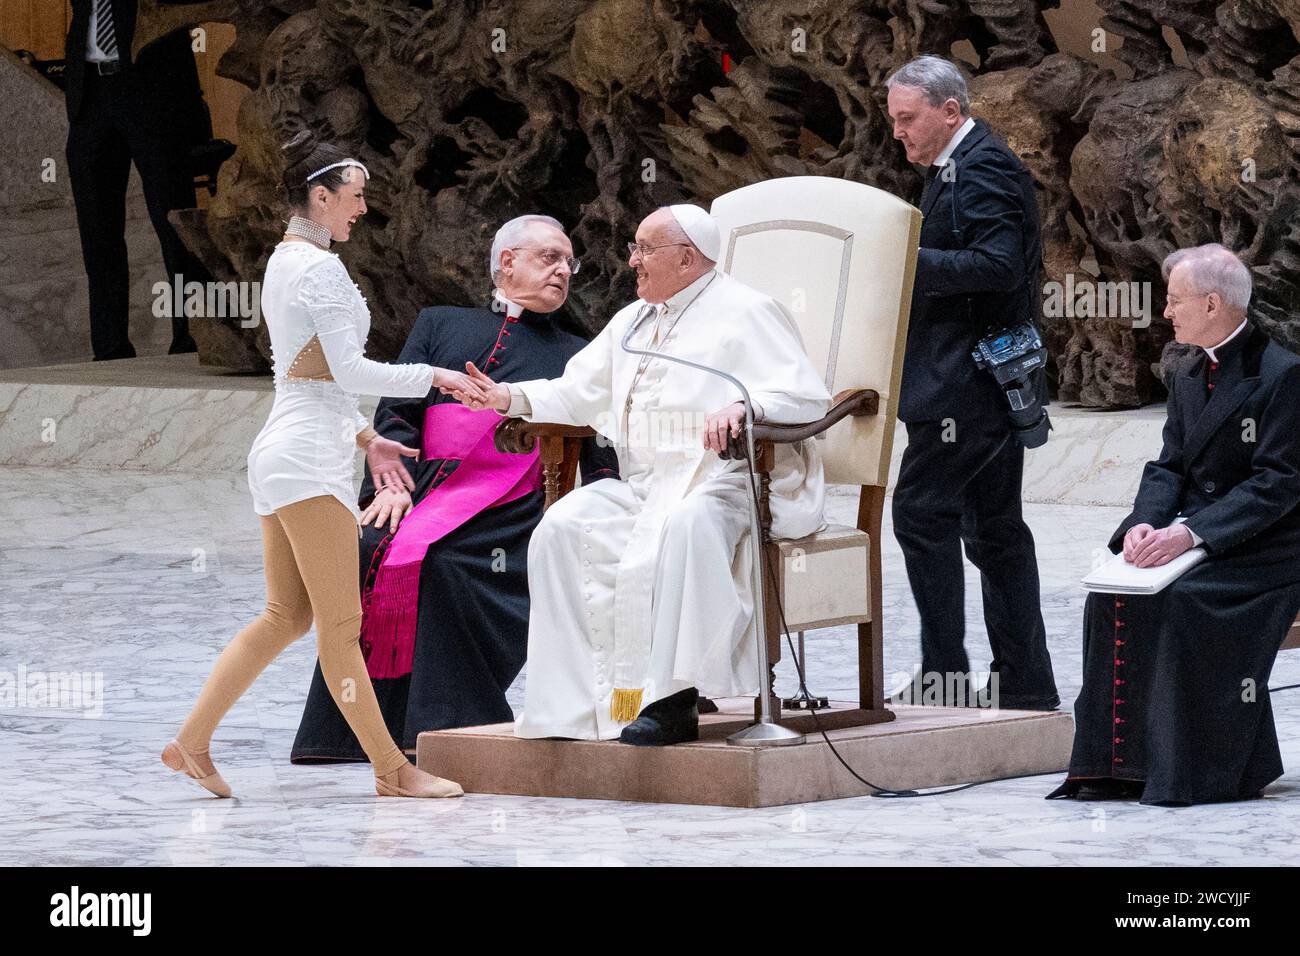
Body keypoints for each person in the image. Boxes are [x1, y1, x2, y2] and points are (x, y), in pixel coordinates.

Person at [161, 130, 488, 799]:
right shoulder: (321, 270)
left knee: (286, 615)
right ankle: (394, 772)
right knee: (340, 629)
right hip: (306, 462)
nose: (362, 209)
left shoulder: (284, 260)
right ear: (320, 195)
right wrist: (439, 378)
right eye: (356, 197)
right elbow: (349, 369)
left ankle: (190, 742)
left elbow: (309, 376)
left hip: (281, 452)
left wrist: (368, 439)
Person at [456, 204, 831, 745]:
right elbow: (576, 390)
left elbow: (804, 395)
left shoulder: (747, 310)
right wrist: (507, 396)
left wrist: (745, 406)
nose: (631, 259)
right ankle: (575, 704)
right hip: (646, 484)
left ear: (686, 258)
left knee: (686, 522)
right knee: (563, 527)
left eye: (644, 248)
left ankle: (675, 700)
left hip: (726, 480)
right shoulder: (632, 320)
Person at [289, 215, 618, 761]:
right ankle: (345, 733)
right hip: (421, 490)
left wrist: (605, 502)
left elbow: (598, 444)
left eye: (569, 263)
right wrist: (389, 487)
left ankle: (446, 727)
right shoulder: (439, 323)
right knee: (369, 546)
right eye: (549, 258)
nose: (564, 271)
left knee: (445, 562)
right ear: (506, 262)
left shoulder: (578, 352)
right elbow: (397, 412)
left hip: (512, 509)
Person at [1048, 244, 1300, 806]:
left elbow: (1277, 485)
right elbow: (1169, 465)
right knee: (1113, 594)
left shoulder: (1282, 375)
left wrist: (1190, 535)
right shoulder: (1187, 369)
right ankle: (1113, 767)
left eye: (1175, 300)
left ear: (1213, 304)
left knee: (1184, 600)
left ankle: (1198, 771)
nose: (1166, 312)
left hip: (1269, 546)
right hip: (1203, 535)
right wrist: (1143, 526)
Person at [884, 54, 1058, 710]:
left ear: (950, 111)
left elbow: (998, 264)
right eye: (894, 120)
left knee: (921, 513)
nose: (898, 133)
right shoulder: (963, 162)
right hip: (986, 380)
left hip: (967, 385)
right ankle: (1024, 680)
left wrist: (902, 257)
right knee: (993, 529)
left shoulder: (980, 164)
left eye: (908, 119)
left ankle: (944, 678)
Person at [65, 1, 215, 359]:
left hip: (151, 92)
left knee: (174, 220)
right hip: (91, 94)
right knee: (98, 231)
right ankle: (109, 346)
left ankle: (194, 336)